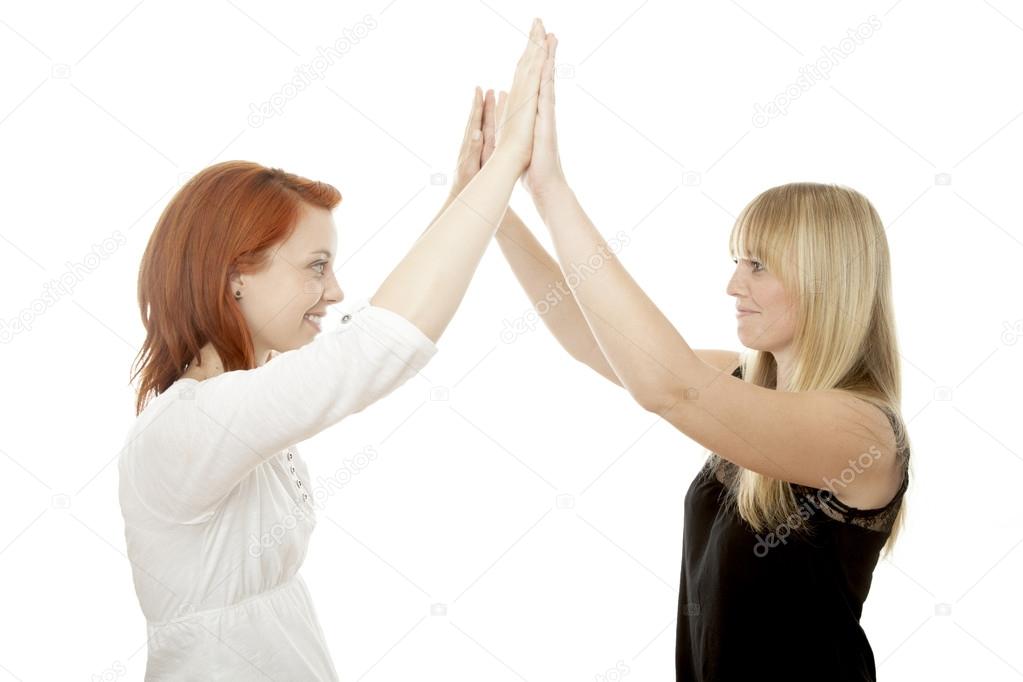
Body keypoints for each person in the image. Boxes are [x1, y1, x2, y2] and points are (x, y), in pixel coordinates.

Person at [118, 19, 555, 680]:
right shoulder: (188, 426)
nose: (335, 290)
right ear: (234, 277)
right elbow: (375, 349)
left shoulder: (231, 405)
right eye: (315, 266)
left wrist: (468, 195)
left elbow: (369, 340)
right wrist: (505, 164)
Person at [472, 32, 912, 681]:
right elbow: (590, 339)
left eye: (758, 266)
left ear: (825, 279)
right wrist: (492, 206)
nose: (734, 285)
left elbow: (667, 387)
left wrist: (549, 188)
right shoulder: (742, 381)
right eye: (735, 263)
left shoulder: (861, 429)